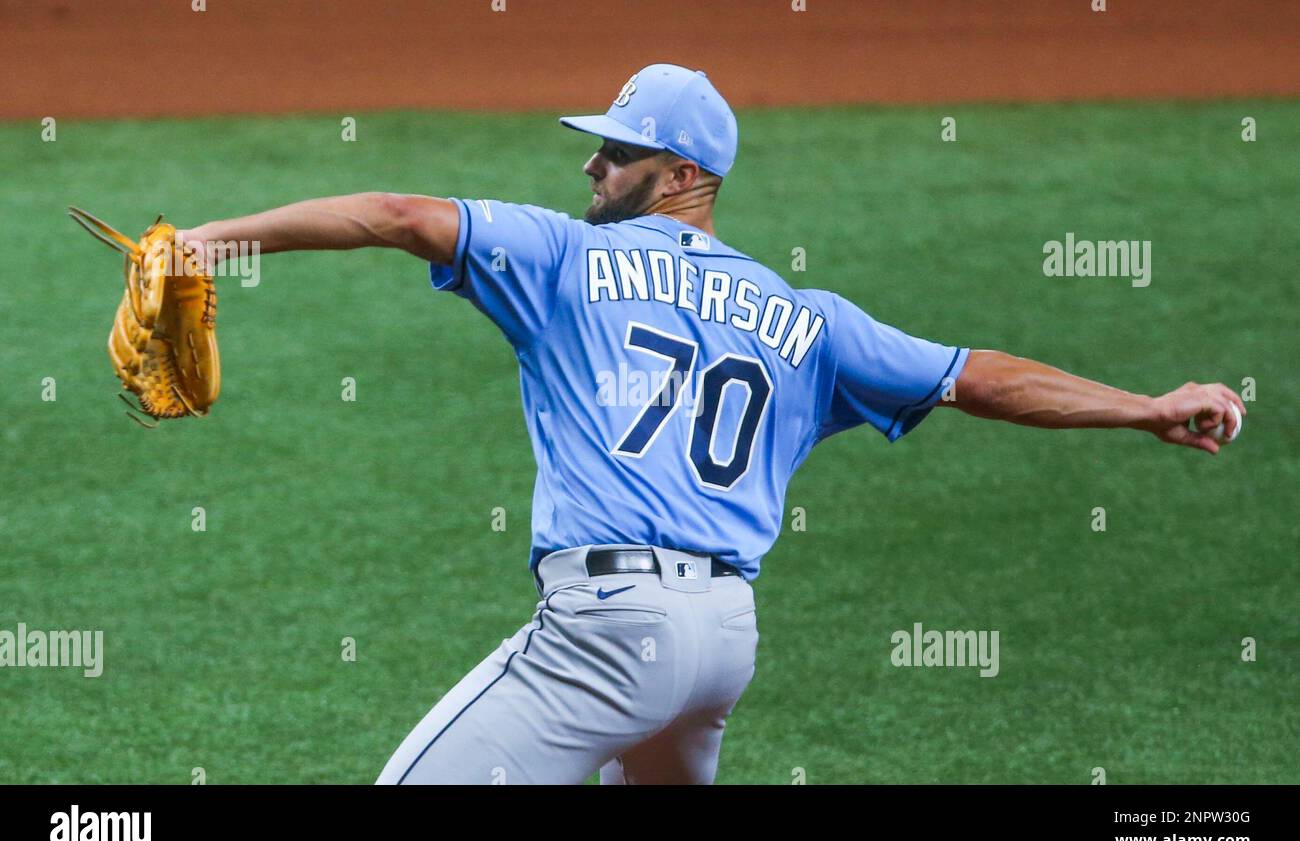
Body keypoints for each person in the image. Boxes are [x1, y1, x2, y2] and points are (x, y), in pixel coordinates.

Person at [177, 63, 1246, 784]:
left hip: (605, 628)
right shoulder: (806, 317)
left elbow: (397, 217)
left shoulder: (565, 256)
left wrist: (205, 243)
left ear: (684, 176)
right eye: (596, 148)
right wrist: (1144, 407)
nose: (590, 165)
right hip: (722, 640)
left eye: (615, 152)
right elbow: (978, 375)